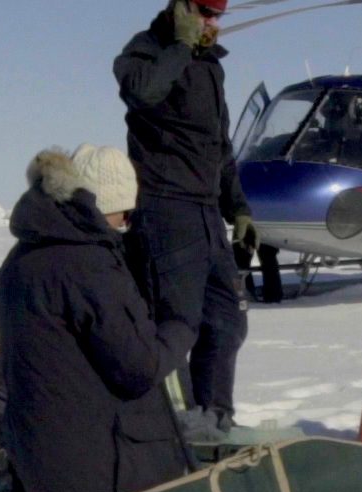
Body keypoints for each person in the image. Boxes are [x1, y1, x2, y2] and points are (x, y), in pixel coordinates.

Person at [0, 145, 197, 492]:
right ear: (106, 207)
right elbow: (138, 368)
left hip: (39, 468)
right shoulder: (88, 265)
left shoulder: (23, 256)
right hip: (95, 484)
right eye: (125, 214)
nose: (126, 225)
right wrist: (181, 330)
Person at [114, 0, 258, 432]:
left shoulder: (211, 66)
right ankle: (169, 428)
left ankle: (213, 421)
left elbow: (220, 148)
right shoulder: (143, 52)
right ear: (180, 7)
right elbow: (143, 91)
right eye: (204, 12)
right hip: (165, 209)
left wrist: (239, 208)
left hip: (206, 212)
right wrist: (178, 45)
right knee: (175, 328)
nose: (211, 23)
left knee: (227, 322)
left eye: (217, 16)